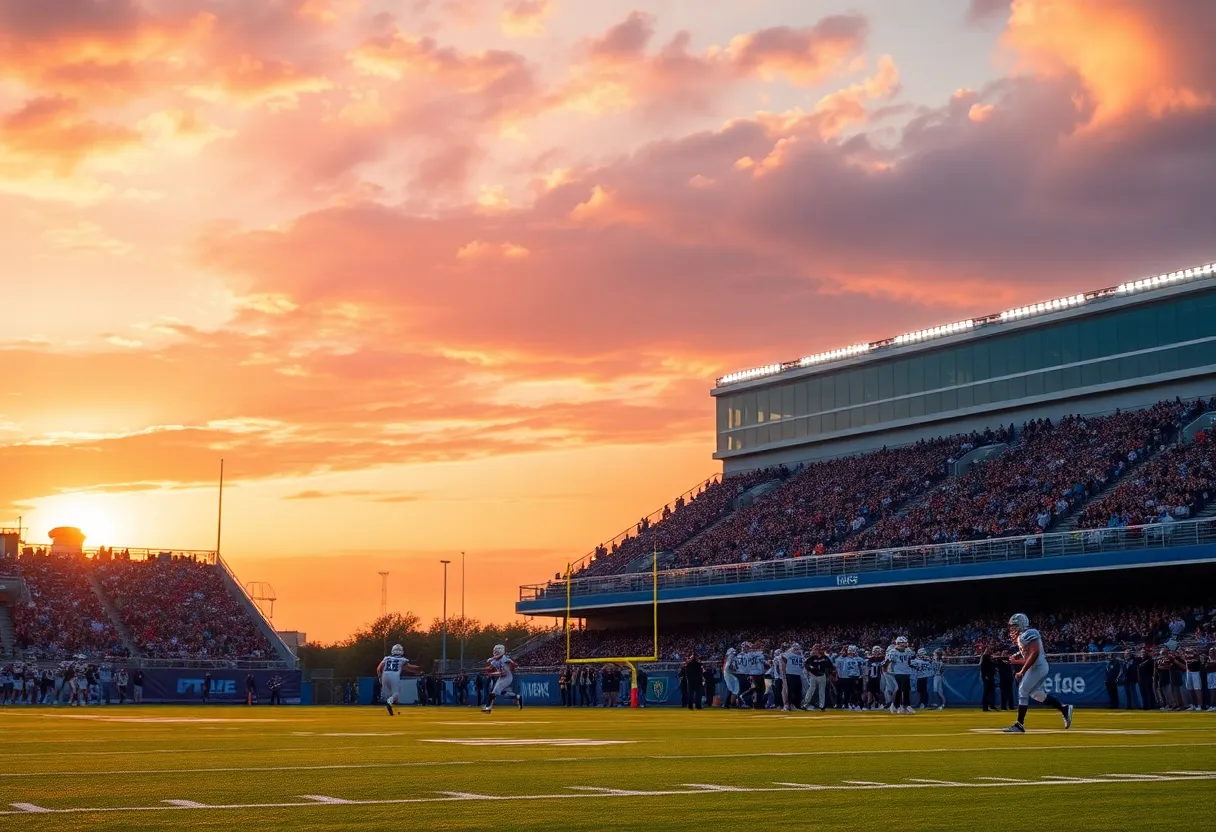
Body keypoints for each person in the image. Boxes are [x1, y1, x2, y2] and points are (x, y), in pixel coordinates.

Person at [1002, 613, 1073, 733]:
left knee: (1022, 690)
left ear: (1021, 624)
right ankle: (1064, 708)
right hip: (1037, 666)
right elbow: (1030, 657)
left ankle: (1019, 724)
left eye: (1014, 626)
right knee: (1036, 694)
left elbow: (1035, 653)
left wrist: (1022, 671)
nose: (1012, 629)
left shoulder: (1029, 633)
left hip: (1038, 666)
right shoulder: (1022, 637)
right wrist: (1016, 661)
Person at [483, 644, 523, 713]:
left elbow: (504, 672)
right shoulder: (495, 660)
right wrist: (486, 670)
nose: (495, 653)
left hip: (507, 678)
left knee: (493, 693)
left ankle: (488, 708)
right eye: (494, 652)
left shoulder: (505, 659)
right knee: (501, 693)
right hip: (501, 678)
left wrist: (490, 673)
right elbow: (490, 668)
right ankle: (517, 697)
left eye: (497, 652)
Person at [377, 644, 410, 716]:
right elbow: (409, 667)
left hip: (385, 676)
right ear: (401, 651)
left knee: (390, 694)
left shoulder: (386, 658)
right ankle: (389, 702)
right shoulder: (403, 659)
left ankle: (391, 710)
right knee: (396, 693)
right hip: (394, 676)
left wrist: (379, 677)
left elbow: (379, 668)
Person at [885, 636, 915, 715]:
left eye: (905, 643)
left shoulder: (908, 651)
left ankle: (903, 706)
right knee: (898, 690)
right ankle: (898, 705)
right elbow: (888, 661)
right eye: (903, 643)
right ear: (898, 643)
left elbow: (910, 661)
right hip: (896, 672)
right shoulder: (892, 651)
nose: (905, 644)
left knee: (906, 689)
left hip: (906, 672)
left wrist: (912, 665)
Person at [803, 644, 830, 711]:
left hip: (822, 675)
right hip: (813, 675)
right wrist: (809, 671)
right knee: (811, 690)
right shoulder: (811, 658)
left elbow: (830, 665)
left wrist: (830, 674)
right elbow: (805, 664)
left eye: (818, 649)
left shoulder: (825, 657)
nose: (817, 650)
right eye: (815, 649)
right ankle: (805, 705)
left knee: (822, 691)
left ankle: (822, 706)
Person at [783, 644, 805, 711]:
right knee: (791, 690)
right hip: (790, 673)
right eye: (795, 648)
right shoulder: (788, 654)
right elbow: (783, 659)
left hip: (798, 674)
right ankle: (791, 705)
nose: (796, 650)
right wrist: (784, 671)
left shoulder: (800, 655)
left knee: (798, 690)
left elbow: (802, 664)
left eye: (797, 648)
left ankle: (797, 705)